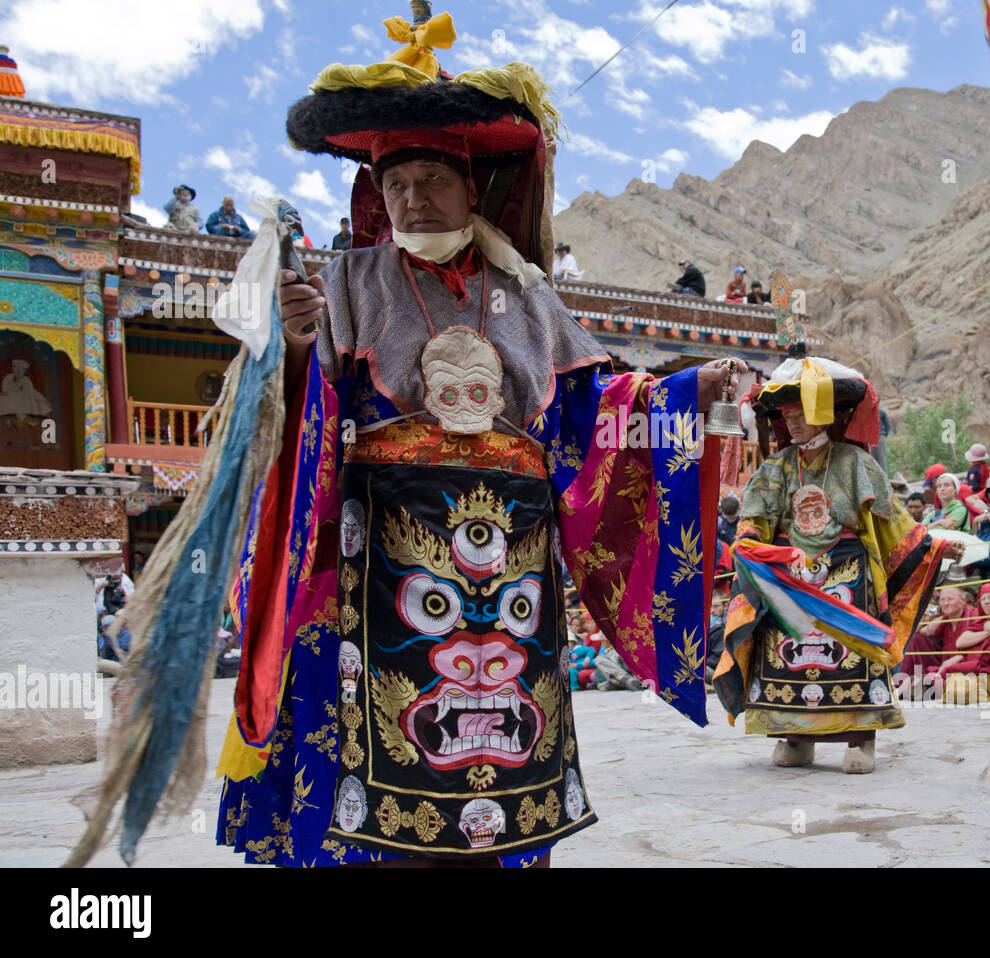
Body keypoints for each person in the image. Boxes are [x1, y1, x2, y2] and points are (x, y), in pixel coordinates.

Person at [212, 20, 744, 867]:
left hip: (514, 566)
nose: (413, 199)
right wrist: (299, 348)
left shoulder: (531, 295)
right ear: (374, 197)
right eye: (395, 183)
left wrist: (682, 396)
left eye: (431, 178)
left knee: (497, 728)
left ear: (471, 187)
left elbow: (591, 416)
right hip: (382, 560)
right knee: (378, 731)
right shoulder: (342, 283)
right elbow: (295, 419)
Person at [714, 354, 953, 774]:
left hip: (847, 572)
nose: (792, 424)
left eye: (801, 413)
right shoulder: (776, 467)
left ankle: (860, 739)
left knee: (851, 654)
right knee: (787, 652)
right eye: (786, 416)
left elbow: (892, 518)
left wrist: (930, 546)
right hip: (787, 577)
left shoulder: (855, 463)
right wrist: (750, 541)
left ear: (823, 414)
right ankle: (795, 736)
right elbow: (755, 519)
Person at [896, 585, 979, 700]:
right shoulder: (945, 619)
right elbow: (923, 631)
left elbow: (980, 647)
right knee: (917, 639)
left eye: (950, 599)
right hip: (945, 662)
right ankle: (906, 682)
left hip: (965, 661)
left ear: (963, 600)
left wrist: (960, 656)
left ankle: (922, 685)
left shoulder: (974, 615)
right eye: (942, 600)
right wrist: (926, 619)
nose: (945, 603)